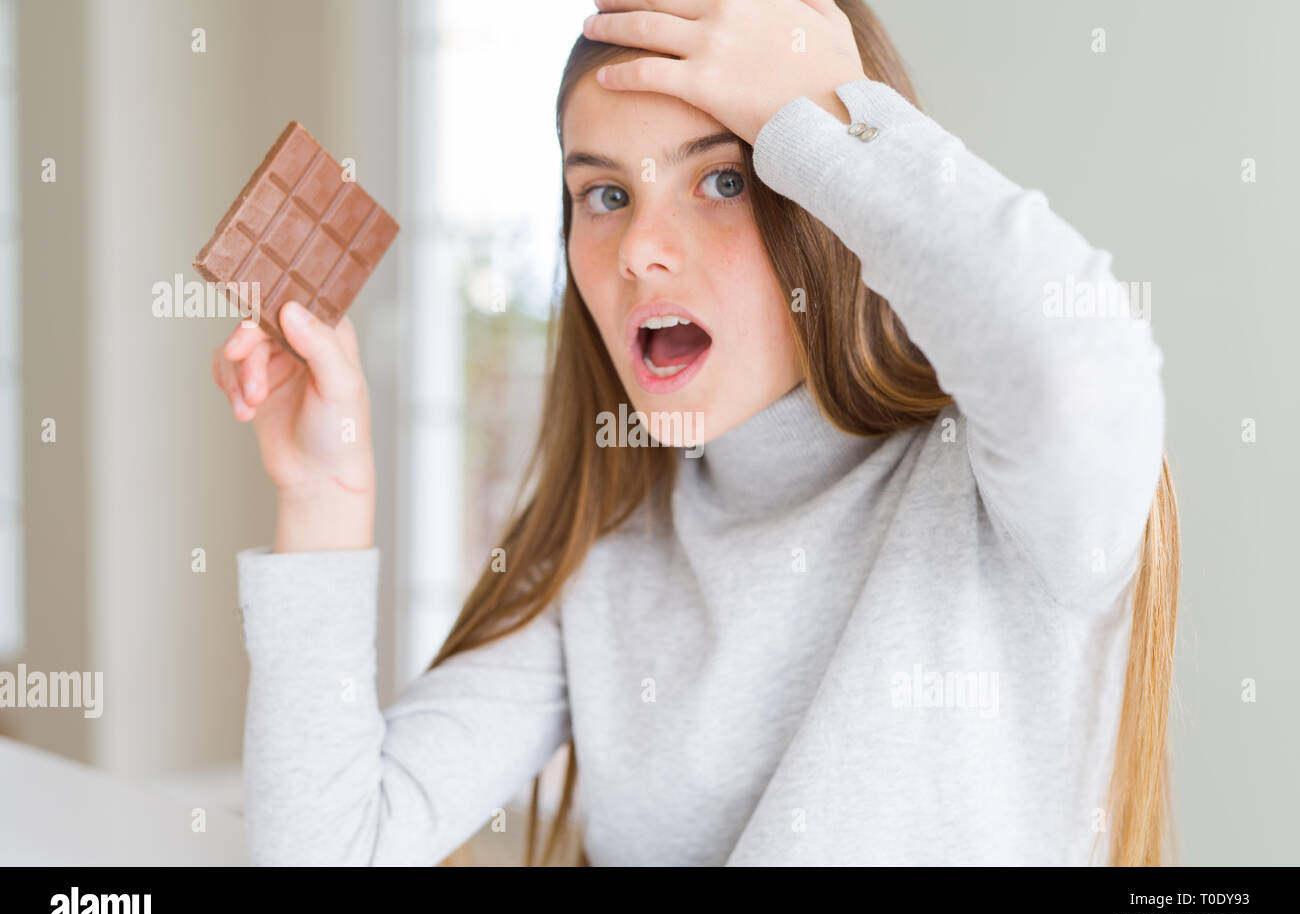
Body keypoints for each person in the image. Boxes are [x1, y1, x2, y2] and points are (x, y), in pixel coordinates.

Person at [212, 0, 1178, 866]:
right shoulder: (607, 563)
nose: (638, 248)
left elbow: (1076, 361)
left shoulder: (999, 497)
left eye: (722, 179)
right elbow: (328, 850)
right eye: (604, 193)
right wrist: (323, 496)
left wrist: (840, 117)